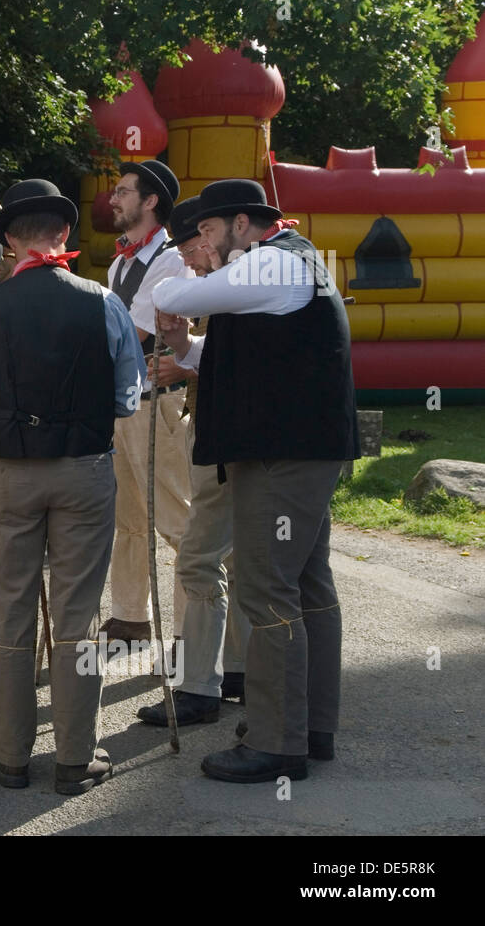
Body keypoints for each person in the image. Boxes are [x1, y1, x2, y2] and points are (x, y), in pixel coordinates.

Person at [153, 179, 359, 782]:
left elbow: (170, 291)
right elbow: (247, 345)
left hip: (281, 455)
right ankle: (310, 727)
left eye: (208, 232)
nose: (202, 245)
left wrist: (174, 289)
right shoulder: (285, 264)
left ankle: (276, 741)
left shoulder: (270, 261)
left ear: (242, 224)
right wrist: (186, 348)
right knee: (306, 586)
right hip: (299, 450)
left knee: (266, 590)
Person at [0, 180, 146, 794]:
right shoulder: (104, 302)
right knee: (78, 615)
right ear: (64, 235)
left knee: (9, 612)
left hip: (10, 471)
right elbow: (129, 394)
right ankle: (73, 759)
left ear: (9, 240)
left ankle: (8, 759)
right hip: (85, 469)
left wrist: (0, 415)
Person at [137, 197, 251, 728]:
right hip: (235, 444)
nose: (192, 259)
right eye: (188, 248)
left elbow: (236, 361)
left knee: (200, 559)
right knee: (237, 560)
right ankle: (239, 673)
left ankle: (199, 687)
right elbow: (229, 352)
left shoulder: (233, 279)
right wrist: (186, 347)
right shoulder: (244, 277)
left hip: (230, 444)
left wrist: (182, 359)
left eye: (194, 246)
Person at [99, 159, 192, 649]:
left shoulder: (171, 259)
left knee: (177, 520)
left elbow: (133, 336)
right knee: (127, 516)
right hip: (127, 405)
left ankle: (187, 632)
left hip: (159, 405)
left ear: (150, 200)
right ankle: (131, 618)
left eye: (123, 191)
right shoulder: (121, 262)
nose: (113, 199)